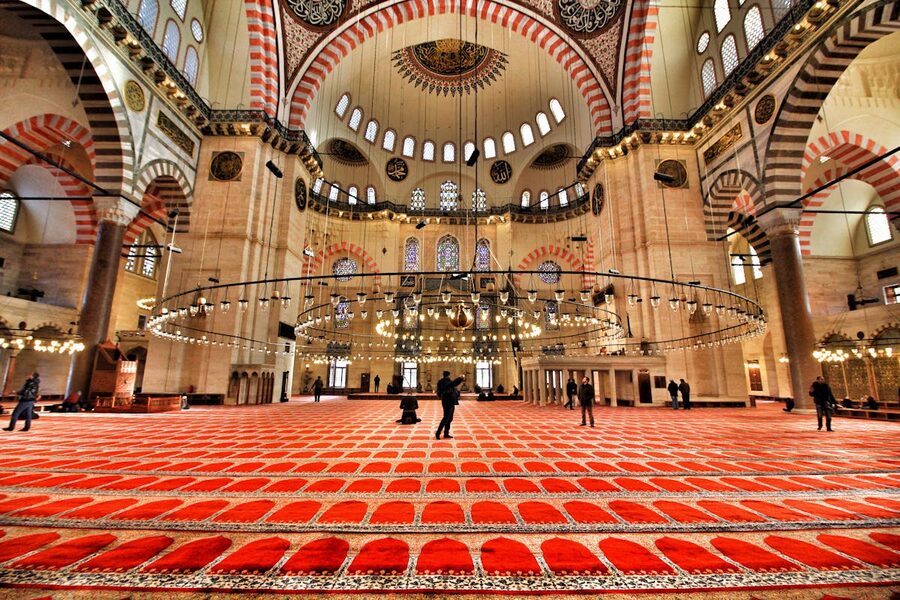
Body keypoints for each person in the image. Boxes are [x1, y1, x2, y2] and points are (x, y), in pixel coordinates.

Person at [435, 371, 465, 440]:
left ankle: (446, 433)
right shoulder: (443, 382)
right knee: (446, 418)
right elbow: (453, 384)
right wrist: (460, 378)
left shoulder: (446, 381)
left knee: (449, 419)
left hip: (450, 401)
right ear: (448, 375)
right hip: (447, 401)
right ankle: (438, 432)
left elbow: (452, 386)